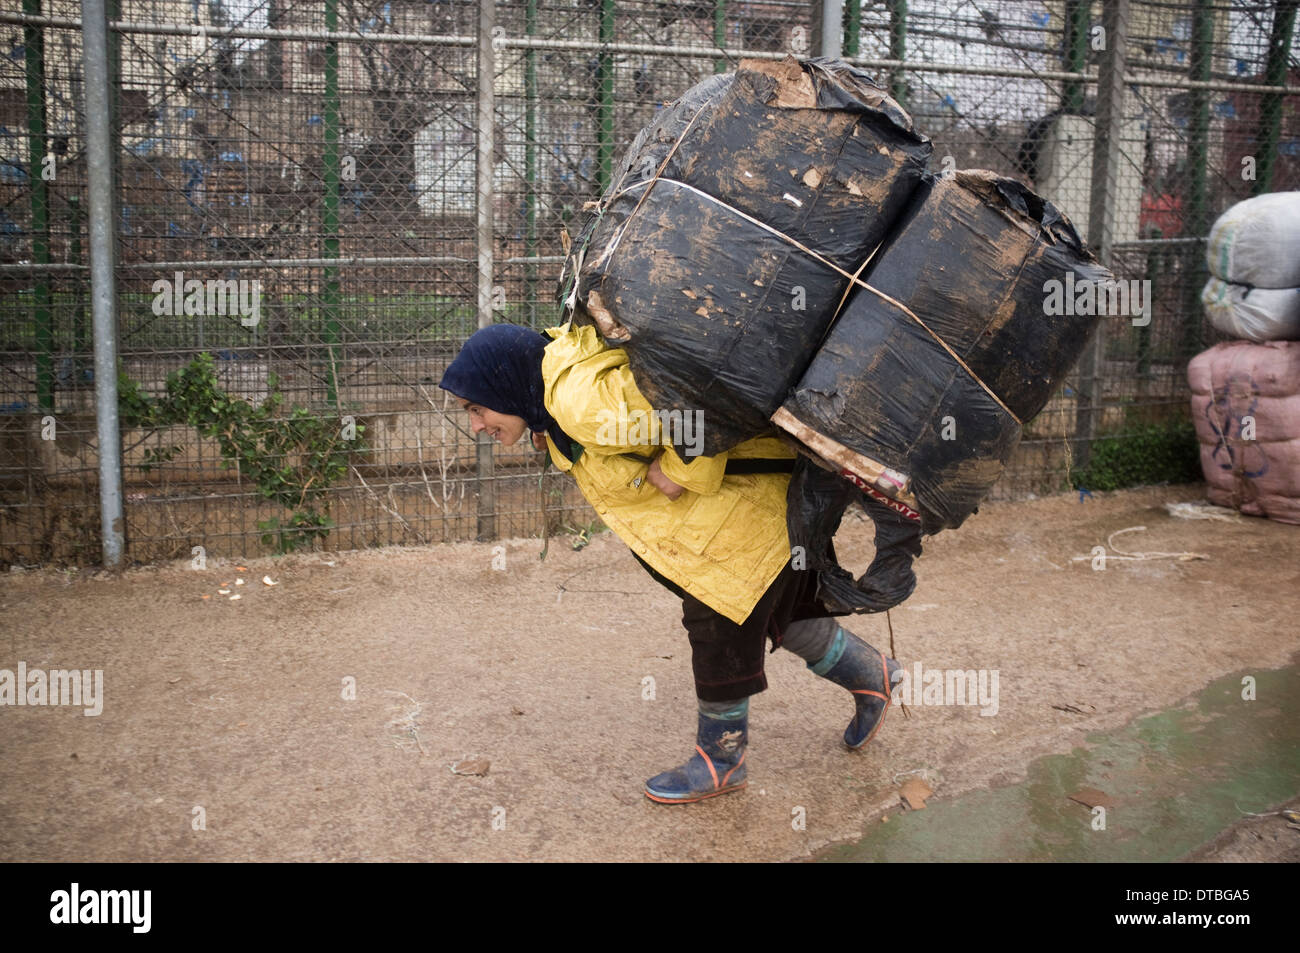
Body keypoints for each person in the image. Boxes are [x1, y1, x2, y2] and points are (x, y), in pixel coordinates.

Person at [440, 320, 901, 804]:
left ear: (506, 384)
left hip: (744, 509)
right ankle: (873, 675)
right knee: (773, 611)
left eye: (477, 408)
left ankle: (722, 761)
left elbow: (700, 402)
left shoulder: (581, 407)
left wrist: (683, 468)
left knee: (720, 619)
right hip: (740, 511)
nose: (475, 425)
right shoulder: (557, 401)